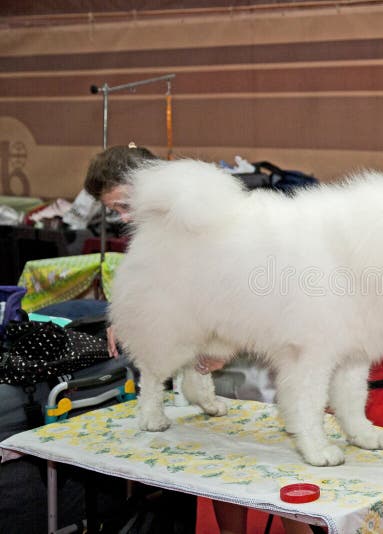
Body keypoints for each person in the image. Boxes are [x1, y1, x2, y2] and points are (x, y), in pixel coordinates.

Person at [84, 144, 311, 534]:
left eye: (123, 204)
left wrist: (224, 346)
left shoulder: (209, 217)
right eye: (114, 211)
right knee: (224, 469)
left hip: (260, 356)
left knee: (283, 473)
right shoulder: (159, 230)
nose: (122, 217)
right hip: (215, 360)